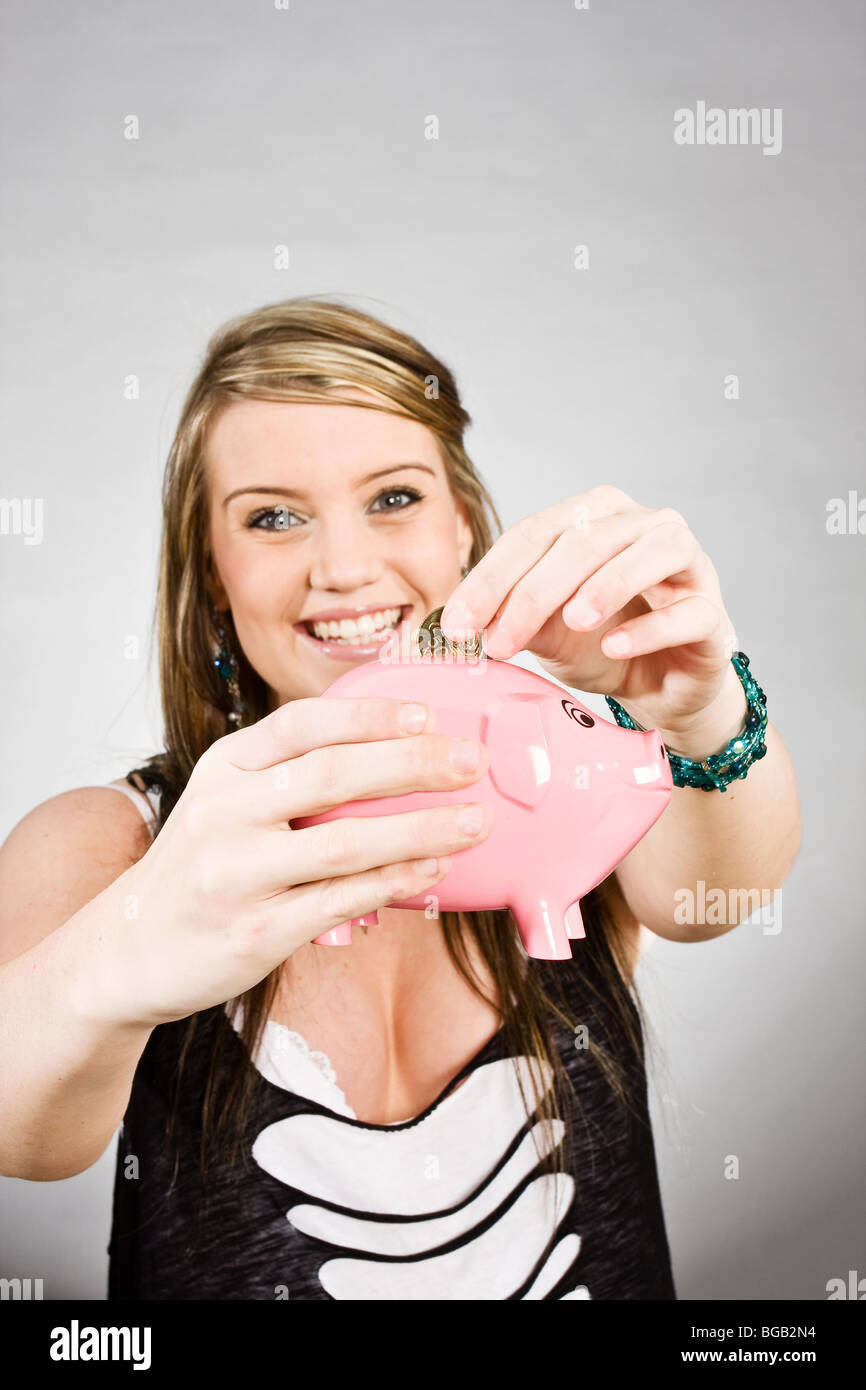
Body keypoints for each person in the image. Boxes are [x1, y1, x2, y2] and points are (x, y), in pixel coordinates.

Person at [0, 297, 802, 1301]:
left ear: (462, 523)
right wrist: (146, 928)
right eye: (272, 516)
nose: (343, 567)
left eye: (392, 497)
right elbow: (24, 1133)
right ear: (211, 568)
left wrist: (697, 707)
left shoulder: (571, 785)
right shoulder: (117, 840)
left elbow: (710, 900)